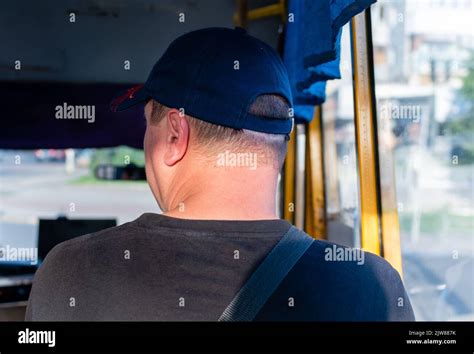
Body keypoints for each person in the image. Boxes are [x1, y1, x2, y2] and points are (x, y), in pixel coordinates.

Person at [26, 27, 414, 321]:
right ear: (279, 143)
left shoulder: (72, 274)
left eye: (148, 125)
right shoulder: (372, 287)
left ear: (175, 135)